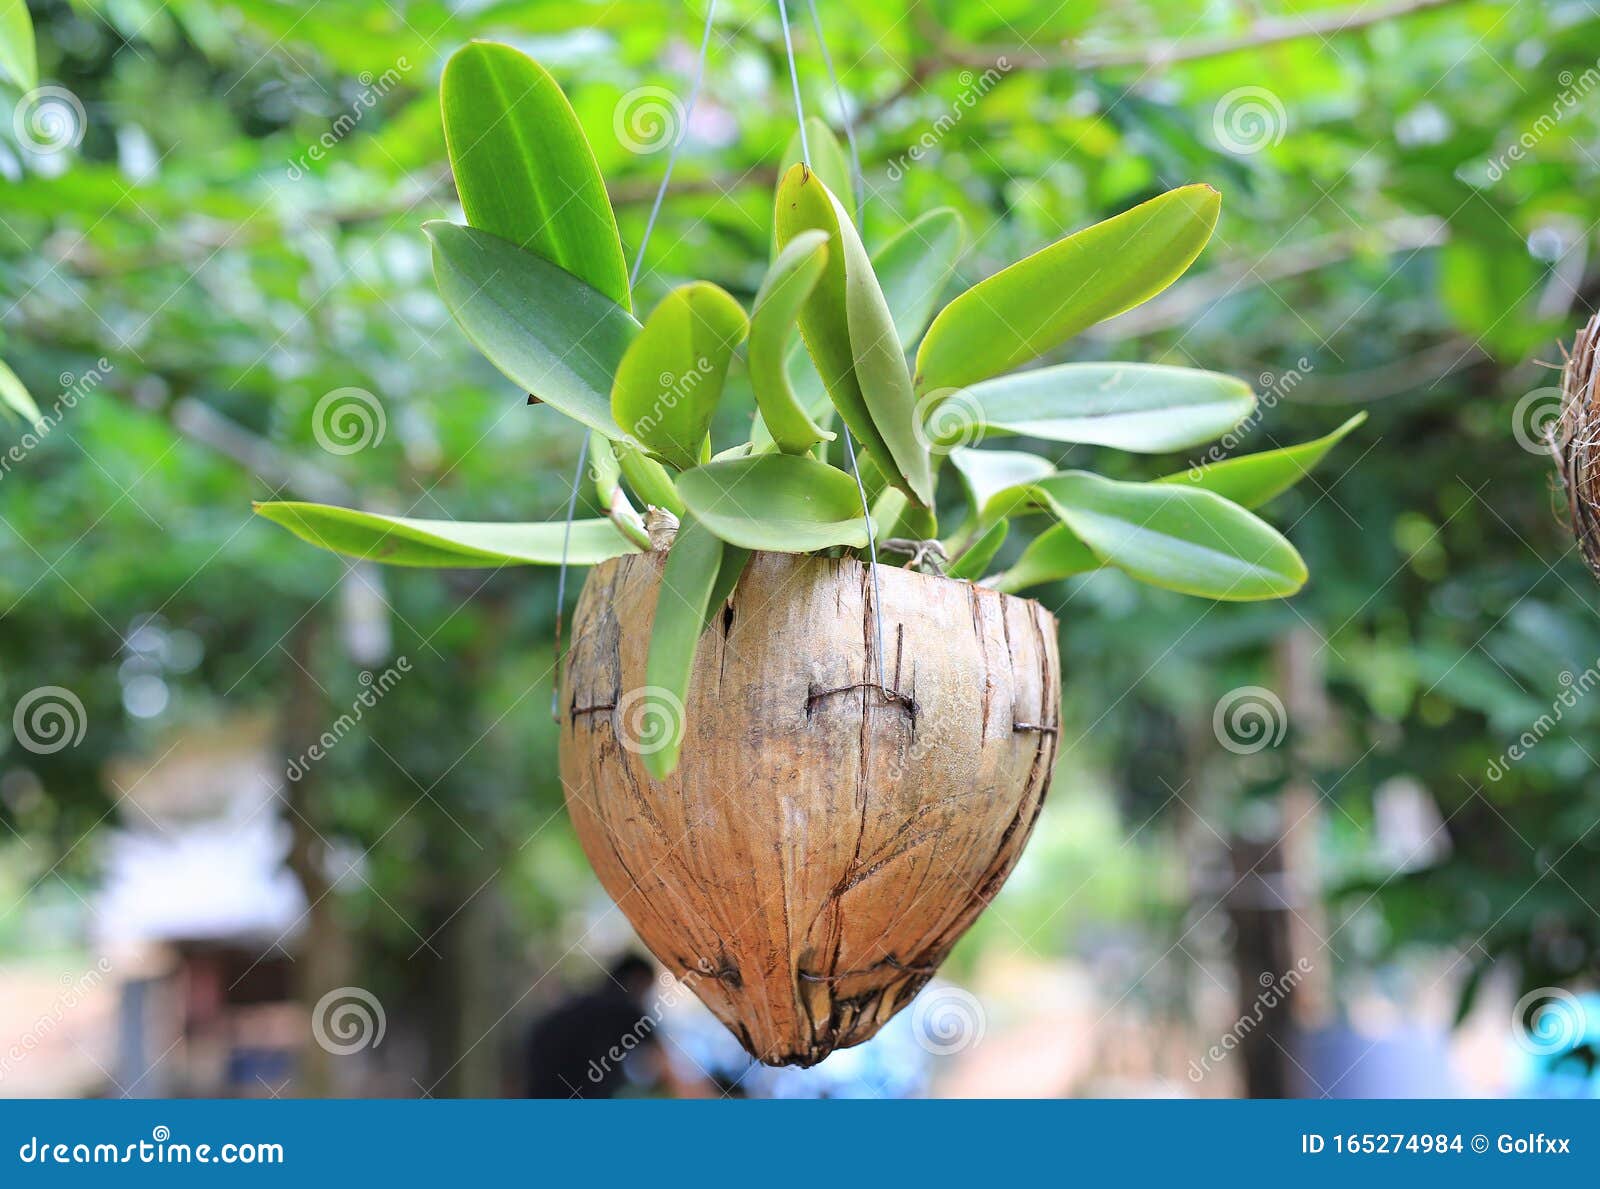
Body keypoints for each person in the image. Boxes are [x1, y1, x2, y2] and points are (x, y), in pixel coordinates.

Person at [523, 953, 664, 1098]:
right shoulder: (624, 1009)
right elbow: (664, 1064)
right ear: (638, 980)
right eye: (647, 990)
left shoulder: (569, 1010)